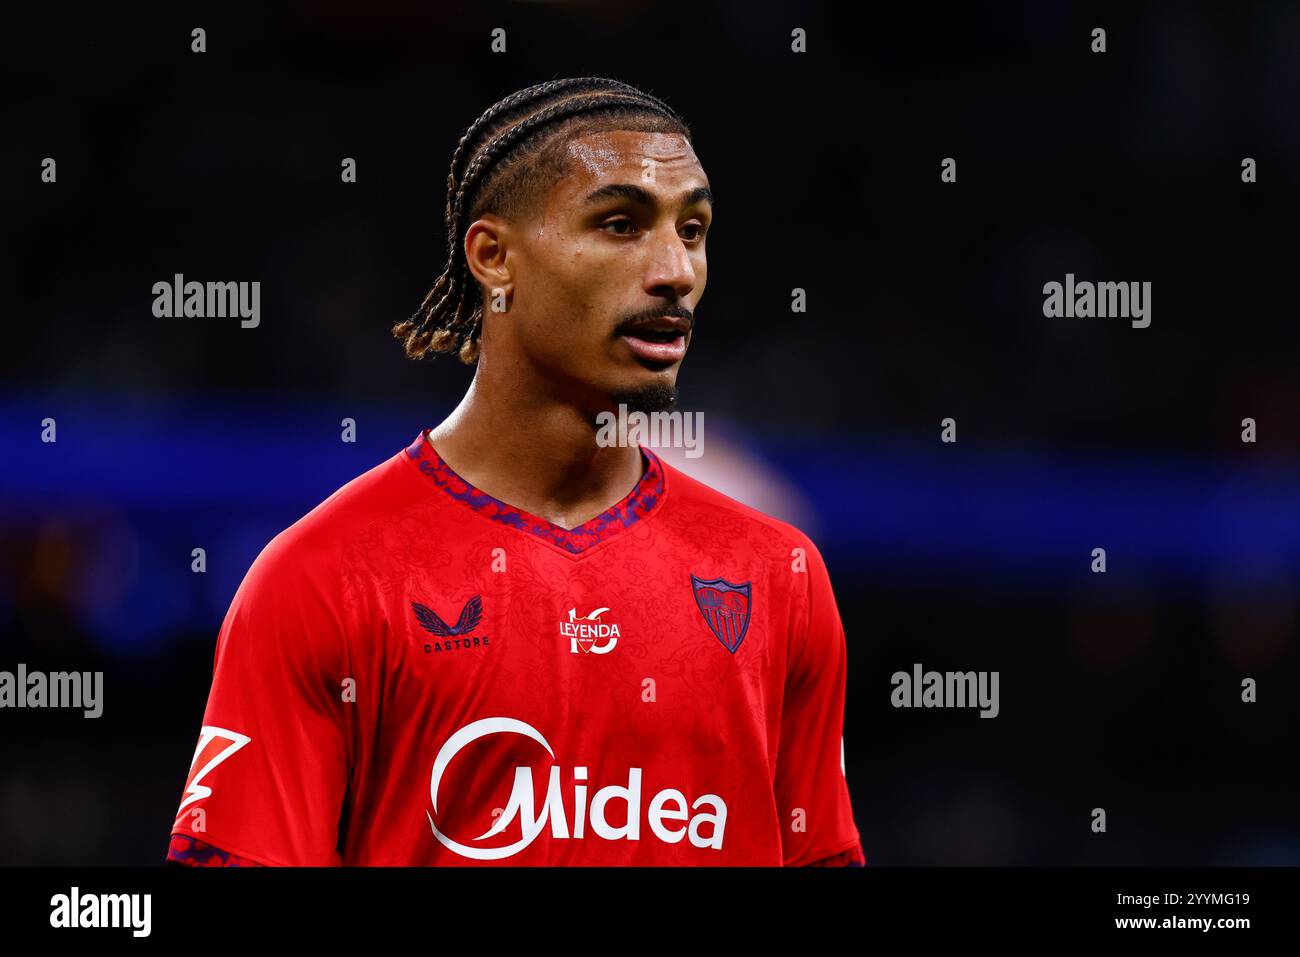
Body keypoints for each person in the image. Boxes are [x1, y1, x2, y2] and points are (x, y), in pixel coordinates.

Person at [167, 76, 864, 866]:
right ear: (493, 256)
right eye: (620, 224)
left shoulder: (779, 579)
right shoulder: (321, 580)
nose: (675, 270)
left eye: (694, 229)